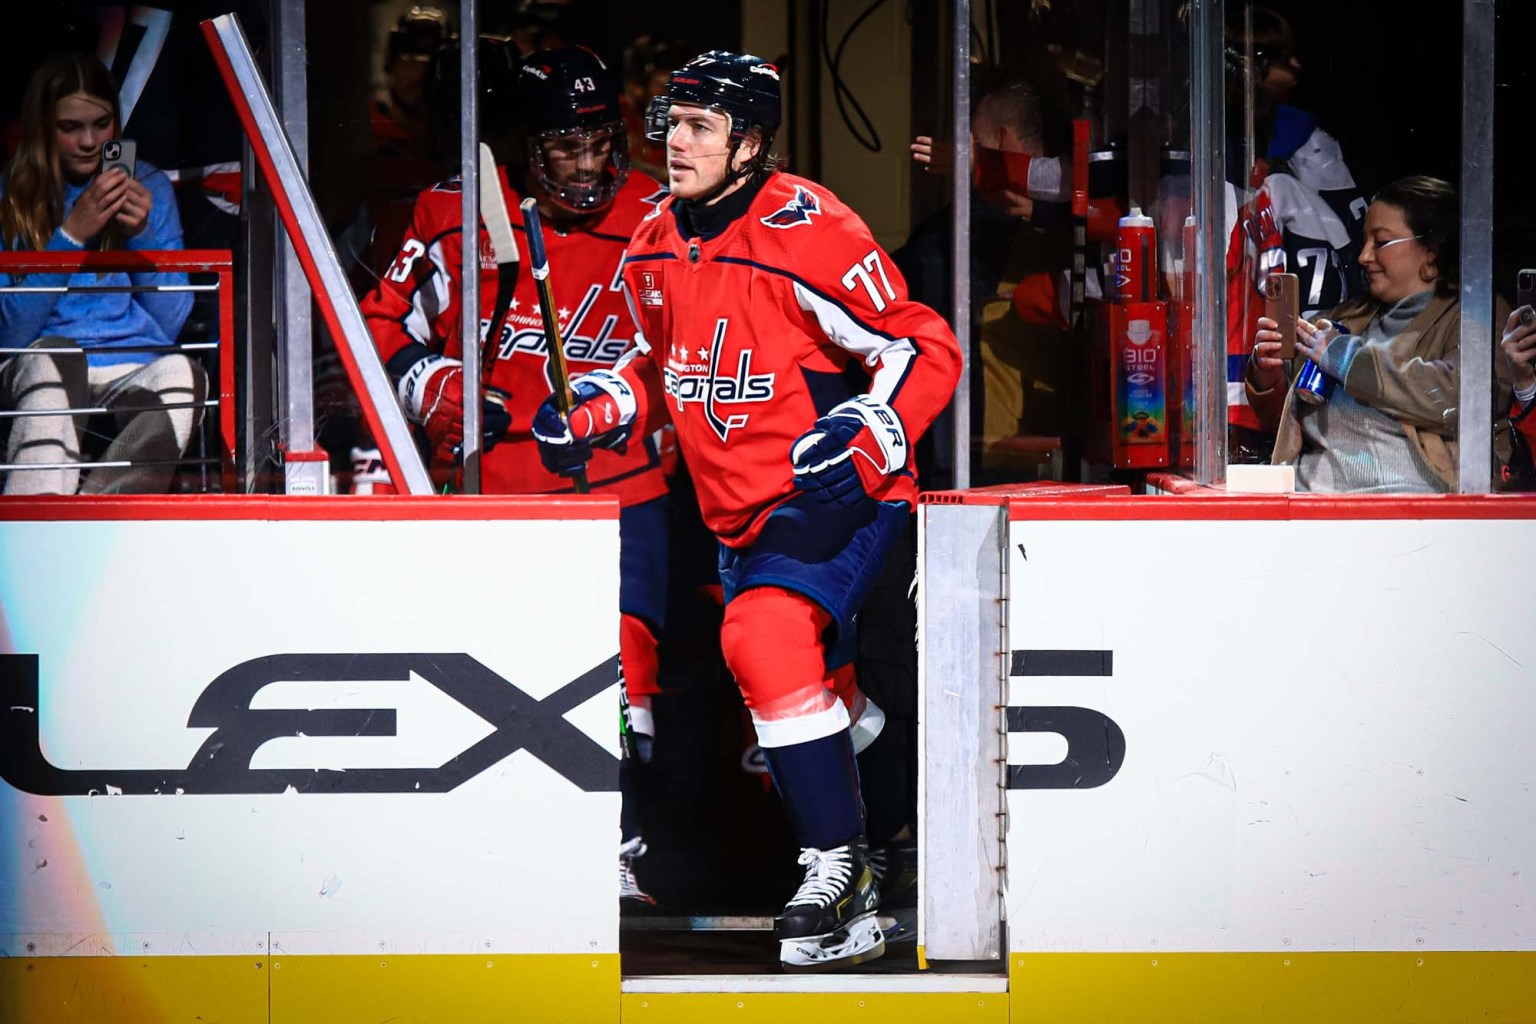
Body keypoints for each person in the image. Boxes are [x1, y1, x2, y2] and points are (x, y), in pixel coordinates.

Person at [533, 51, 963, 970]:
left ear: (751, 143)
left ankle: (836, 869)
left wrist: (872, 431)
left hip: (836, 498)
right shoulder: (653, 238)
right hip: (738, 516)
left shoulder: (810, 229)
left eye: (697, 126)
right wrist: (604, 407)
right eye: (670, 122)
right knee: (827, 702)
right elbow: (661, 371)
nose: (672, 142)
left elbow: (923, 345)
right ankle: (896, 838)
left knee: (761, 642)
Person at [358, 45, 671, 901]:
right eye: (564, 147)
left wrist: (623, 399)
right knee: (499, 675)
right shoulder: (451, 216)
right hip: (491, 496)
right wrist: (434, 384)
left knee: (627, 677)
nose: (587, 164)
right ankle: (500, 843)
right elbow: (377, 329)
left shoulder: (660, 216)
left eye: (601, 142)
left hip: (622, 491)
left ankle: (614, 842)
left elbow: (700, 349)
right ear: (521, 146)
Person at [0, 52, 198, 496]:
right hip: (37, 357)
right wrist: (70, 236)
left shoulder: (149, 186)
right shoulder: (10, 193)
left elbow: (170, 321)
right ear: (41, 129)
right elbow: (10, 333)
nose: (89, 141)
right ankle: (37, 519)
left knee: (182, 376)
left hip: (129, 360)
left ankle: (101, 515)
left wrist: (142, 235)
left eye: (102, 124)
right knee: (56, 361)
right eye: (70, 128)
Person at [1246, 176, 1488, 492]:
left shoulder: (1474, 317)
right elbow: (1277, 422)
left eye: (1381, 242)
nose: (1364, 256)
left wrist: (1348, 360)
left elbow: (1459, 400)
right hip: (1309, 507)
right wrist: (1268, 375)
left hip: (1415, 516)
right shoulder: (1338, 321)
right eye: (1365, 242)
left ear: (1430, 250)